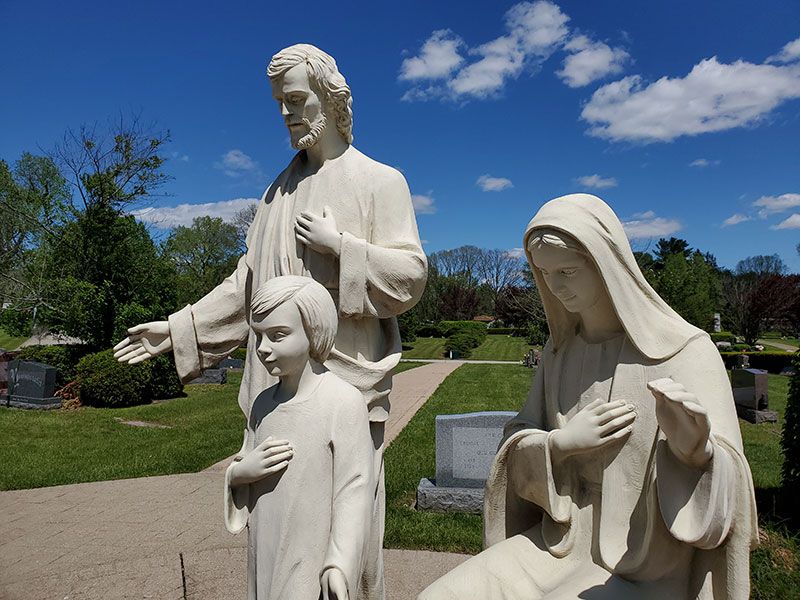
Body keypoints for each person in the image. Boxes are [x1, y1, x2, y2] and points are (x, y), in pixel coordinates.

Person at [113, 44, 427, 599]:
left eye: (297, 99)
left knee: (348, 545)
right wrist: (180, 326)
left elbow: (409, 278)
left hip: (347, 387)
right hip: (276, 396)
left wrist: (344, 249)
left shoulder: (381, 182)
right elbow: (249, 288)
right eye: (280, 103)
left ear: (330, 99)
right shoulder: (275, 195)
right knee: (276, 539)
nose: (287, 113)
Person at [420, 194, 757, 600]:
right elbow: (517, 438)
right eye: (543, 273)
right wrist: (559, 445)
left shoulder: (685, 350)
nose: (555, 286)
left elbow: (733, 494)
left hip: (646, 560)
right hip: (562, 539)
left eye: (567, 270)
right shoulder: (560, 353)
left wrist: (695, 454)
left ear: (605, 263)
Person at [225, 275, 373, 600]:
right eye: (258, 336)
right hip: (264, 543)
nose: (263, 349)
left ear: (313, 330)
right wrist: (239, 474)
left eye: (278, 335)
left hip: (311, 552)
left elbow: (355, 489)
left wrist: (339, 563)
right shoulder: (262, 404)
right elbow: (244, 460)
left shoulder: (341, 402)